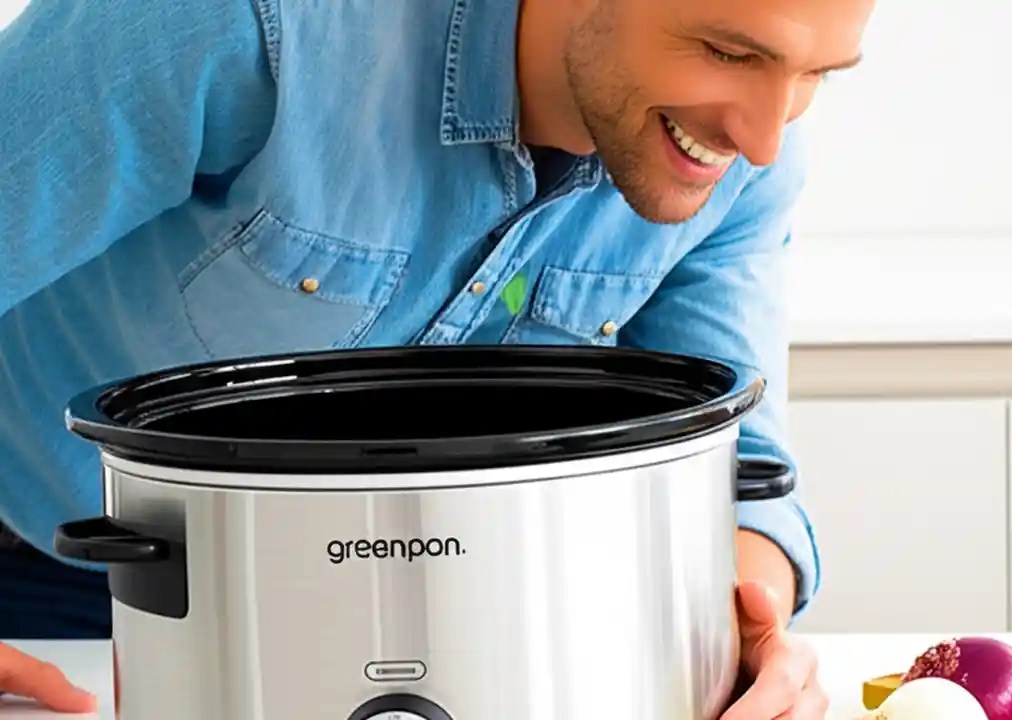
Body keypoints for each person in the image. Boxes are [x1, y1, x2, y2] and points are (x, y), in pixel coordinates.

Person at [0, 0, 874, 715]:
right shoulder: (241, 20)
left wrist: (745, 627)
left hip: (484, 628)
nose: (765, 137)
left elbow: (743, 478)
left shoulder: (739, 156)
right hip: (55, 589)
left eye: (816, 77)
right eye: (728, 52)